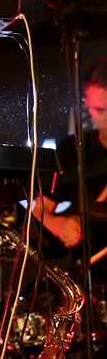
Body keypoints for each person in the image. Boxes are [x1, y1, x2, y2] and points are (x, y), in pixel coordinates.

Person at [36, 58, 107, 252]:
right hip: (86, 268)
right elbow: (40, 210)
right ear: (87, 104)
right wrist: (58, 225)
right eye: (100, 110)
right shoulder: (72, 148)